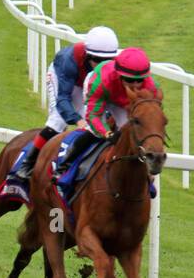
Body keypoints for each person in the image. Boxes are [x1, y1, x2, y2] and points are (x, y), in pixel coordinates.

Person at [11, 25, 119, 182]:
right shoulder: (68, 60)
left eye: (108, 61)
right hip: (67, 81)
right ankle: (27, 164)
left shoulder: (116, 62)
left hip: (90, 84)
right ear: (88, 56)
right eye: (97, 60)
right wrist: (77, 120)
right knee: (58, 120)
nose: (103, 65)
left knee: (102, 124)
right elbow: (63, 98)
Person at [52, 46, 162, 184]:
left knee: (130, 132)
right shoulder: (100, 81)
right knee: (93, 131)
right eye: (129, 80)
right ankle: (64, 167)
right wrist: (107, 133)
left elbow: (150, 118)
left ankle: (143, 173)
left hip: (124, 102)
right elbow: (93, 116)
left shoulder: (151, 87)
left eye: (139, 80)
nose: (135, 85)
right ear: (119, 75)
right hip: (103, 93)